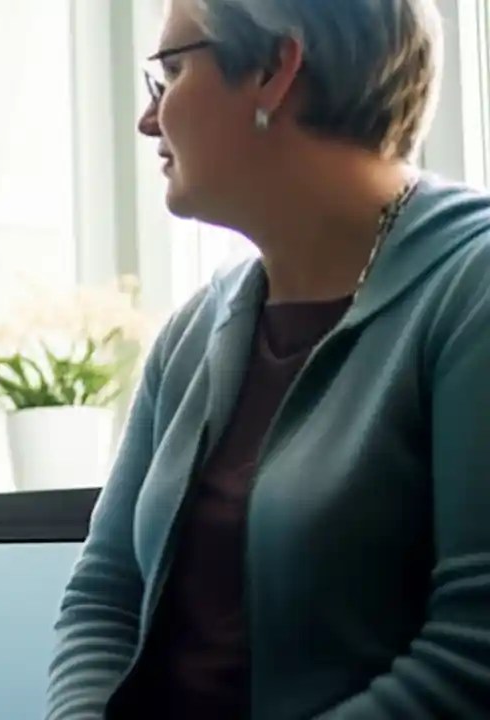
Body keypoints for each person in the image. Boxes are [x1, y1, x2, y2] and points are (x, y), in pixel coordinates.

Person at [47, 0, 490, 717]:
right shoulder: (196, 330)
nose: (148, 119)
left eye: (171, 71)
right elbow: (105, 592)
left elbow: (474, 657)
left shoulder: (472, 290)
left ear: (273, 70)